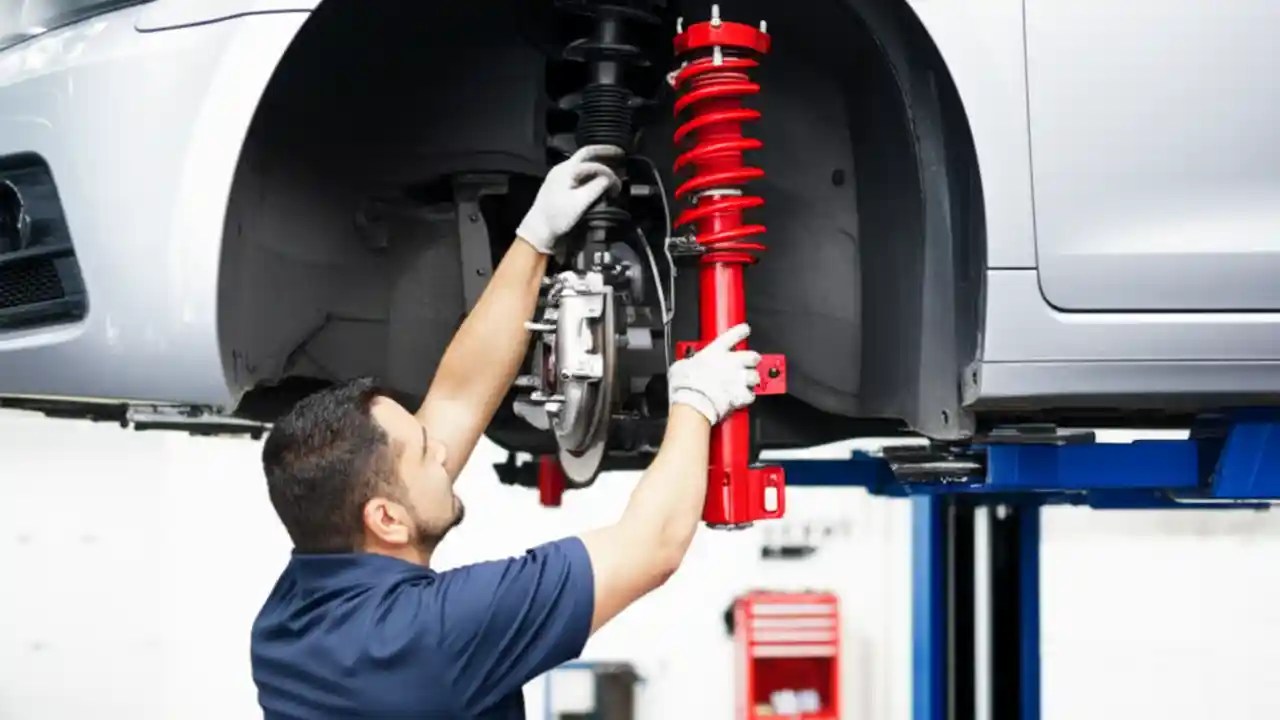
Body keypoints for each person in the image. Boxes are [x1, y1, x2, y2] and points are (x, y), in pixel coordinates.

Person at [250, 145, 764, 718]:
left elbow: (458, 398)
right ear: (386, 519)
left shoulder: (292, 619)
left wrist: (535, 238)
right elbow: (652, 548)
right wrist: (695, 399)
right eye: (424, 453)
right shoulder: (429, 640)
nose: (441, 448)